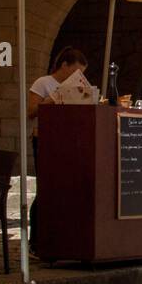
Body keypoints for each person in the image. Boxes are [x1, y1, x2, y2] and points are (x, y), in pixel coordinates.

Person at [27, 46, 89, 252]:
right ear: (64, 66)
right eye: (75, 72)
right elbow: (32, 112)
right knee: (46, 188)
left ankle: (61, 236)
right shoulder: (44, 83)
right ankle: (35, 238)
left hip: (67, 141)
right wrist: (51, 99)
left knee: (65, 188)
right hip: (45, 140)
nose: (77, 76)